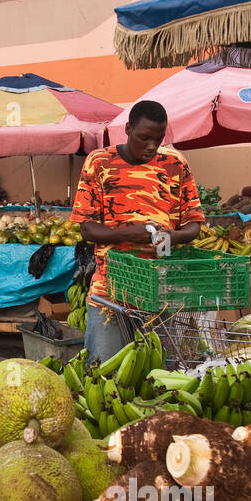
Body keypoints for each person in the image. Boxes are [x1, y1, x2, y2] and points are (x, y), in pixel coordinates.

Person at [71, 99, 205, 363]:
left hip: (161, 290)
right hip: (110, 290)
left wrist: (172, 236)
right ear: (129, 129)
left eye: (158, 138)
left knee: (161, 377)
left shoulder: (175, 163)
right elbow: (87, 229)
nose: (151, 146)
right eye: (144, 138)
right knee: (103, 372)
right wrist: (129, 234)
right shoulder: (99, 163)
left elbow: (194, 224)